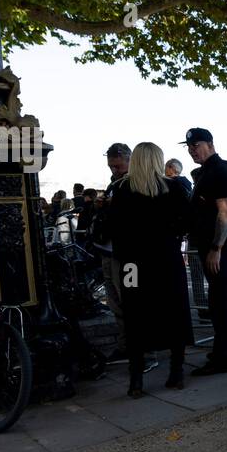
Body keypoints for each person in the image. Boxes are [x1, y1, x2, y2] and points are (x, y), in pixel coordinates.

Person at [105, 142, 193, 397]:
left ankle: (136, 381)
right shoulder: (174, 187)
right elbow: (186, 222)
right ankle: (176, 373)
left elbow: (114, 228)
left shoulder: (122, 190)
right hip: (166, 259)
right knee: (174, 312)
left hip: (133, 263)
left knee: (135, 317)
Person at [185, 127, 227, 375]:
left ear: (209, 143)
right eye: (189, 146)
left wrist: (216, 248)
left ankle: (223, 357)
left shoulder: (218, 171)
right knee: (223, 300)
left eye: (196, 145)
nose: (191, 150)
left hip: (220, 247)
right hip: (216, 245)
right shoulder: (211, 171)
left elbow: (226, 210)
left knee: (221, 301)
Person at [93, 143, 132, 361]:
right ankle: (125, 344)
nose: (114, 171)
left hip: (125, 254)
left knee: (130, 300)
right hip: (108, 250)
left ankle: (141, 348)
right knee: (115, 301)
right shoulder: (114, 183)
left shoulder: (133, 183)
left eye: (117, 166)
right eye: (111, 167)